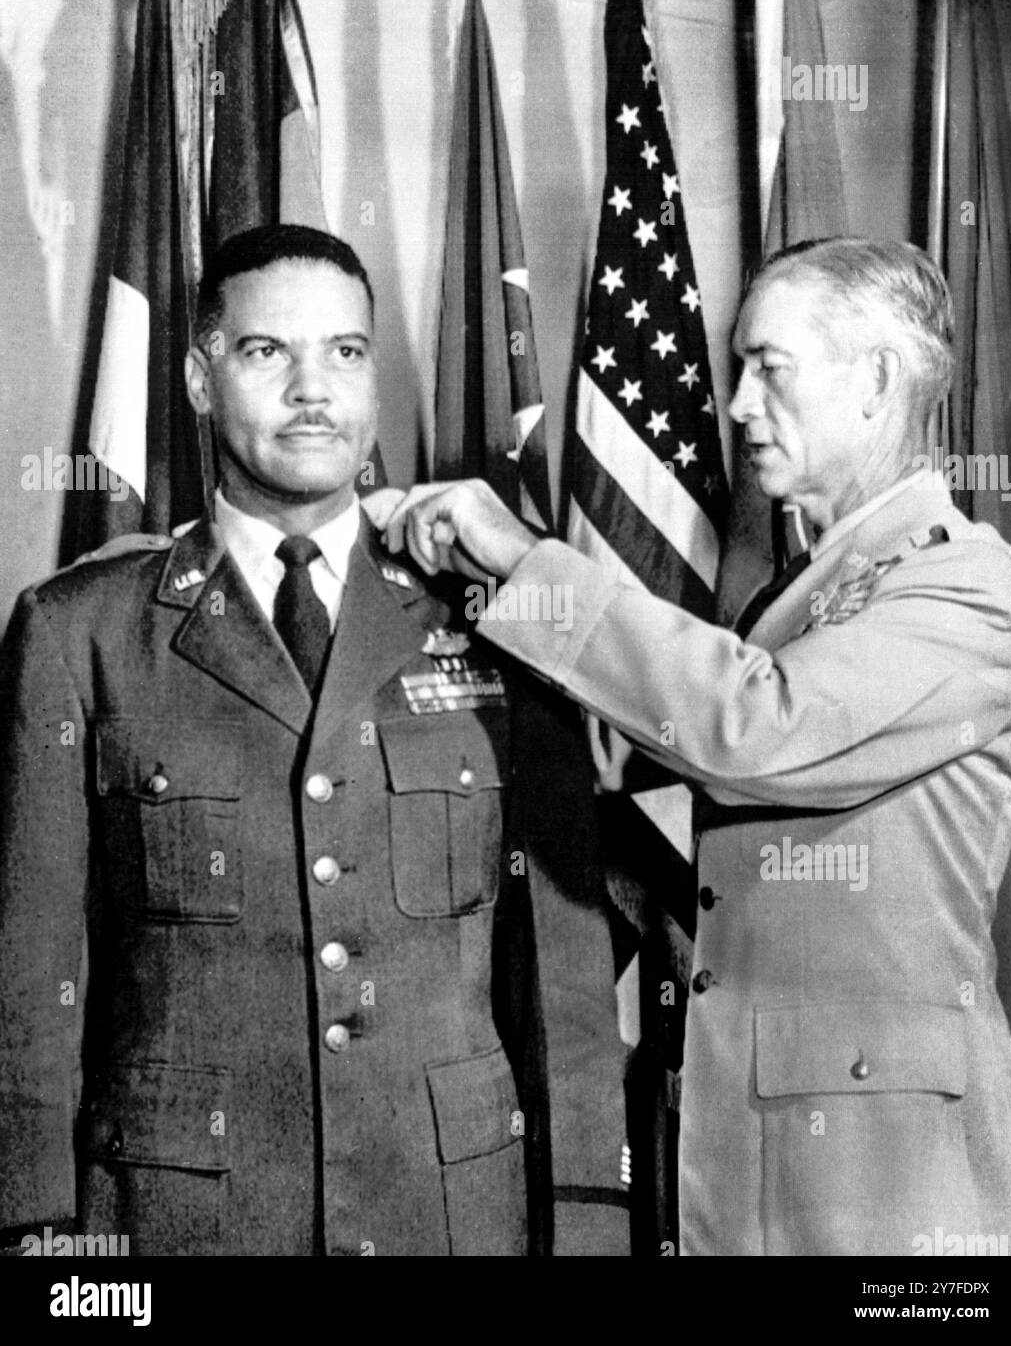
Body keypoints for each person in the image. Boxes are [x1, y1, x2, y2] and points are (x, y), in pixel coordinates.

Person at [384, 238, 1011, 1256]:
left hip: (890, 1187)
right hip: (754, 1148)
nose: (734, 404)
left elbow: (752, 728)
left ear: (874, 381)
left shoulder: (968, 589)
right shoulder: (799, 596)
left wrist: (527, 563)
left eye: (768, 367)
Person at [0, 224, 628, 1257]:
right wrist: (35, 1227)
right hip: (180, 1221)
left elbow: (559, 971)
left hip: (450, 1208)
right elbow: (29, 972)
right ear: (201, 380)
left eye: (344, 352)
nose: (312, 389)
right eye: (265, 353)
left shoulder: (497, 615)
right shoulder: (84, 632)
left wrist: (587, 1217)